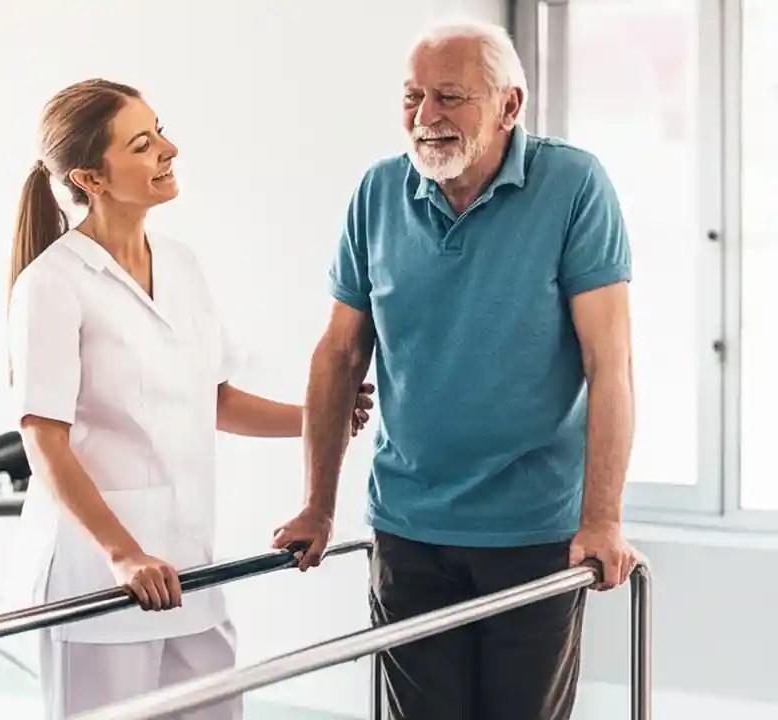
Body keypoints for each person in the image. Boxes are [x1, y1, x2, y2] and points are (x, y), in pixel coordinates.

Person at [271, 21, 640, 720]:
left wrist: (602, 520)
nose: (426, 117)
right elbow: (340, 352)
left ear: (510, 105)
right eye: (412, 97)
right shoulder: (377, 193)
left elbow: (609, 362)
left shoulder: (574, 185)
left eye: (449, 97)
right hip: (409, 528)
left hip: (532, 532)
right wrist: (318, 504)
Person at [5, 79, 373, 719]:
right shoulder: (52, 285)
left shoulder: (181, 264)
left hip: (188, 565)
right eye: (144, 145)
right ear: (91, 178)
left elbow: (217, 400)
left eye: (160, 131)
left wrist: (322, 419)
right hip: (99, 577)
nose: (168, 150)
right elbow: (44, 437)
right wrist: (122, 553)